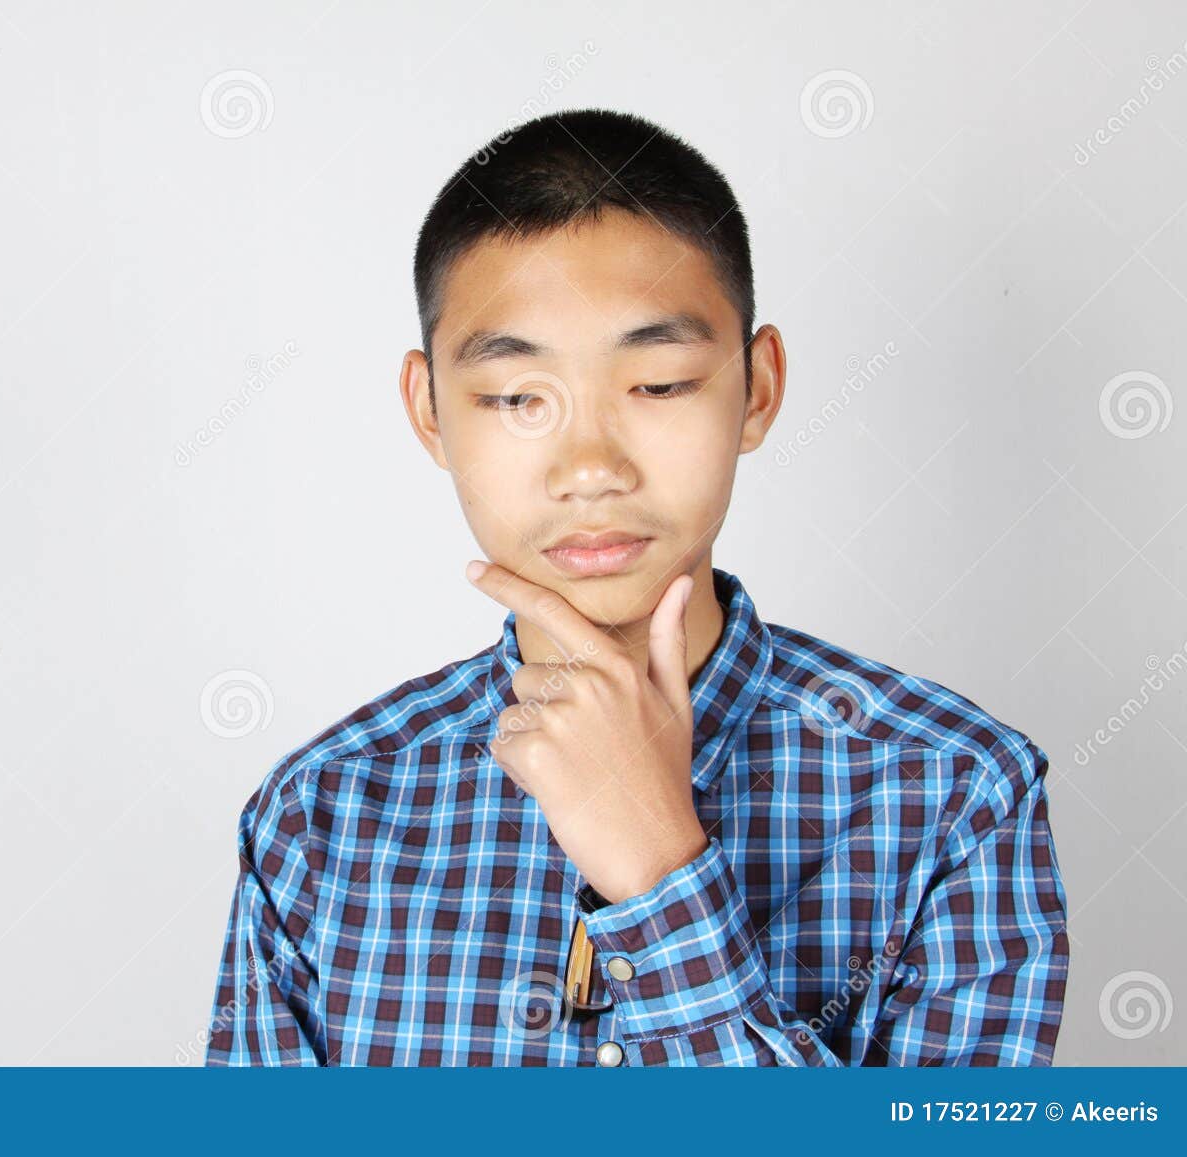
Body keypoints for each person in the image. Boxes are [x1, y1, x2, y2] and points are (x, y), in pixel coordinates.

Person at [203, 108, 1069, 1066]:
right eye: (515, 399)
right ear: (431, 413)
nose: (589, 467)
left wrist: (659, 870)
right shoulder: (324, 812)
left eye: (657, 385)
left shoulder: (954, 795)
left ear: (758, 388)